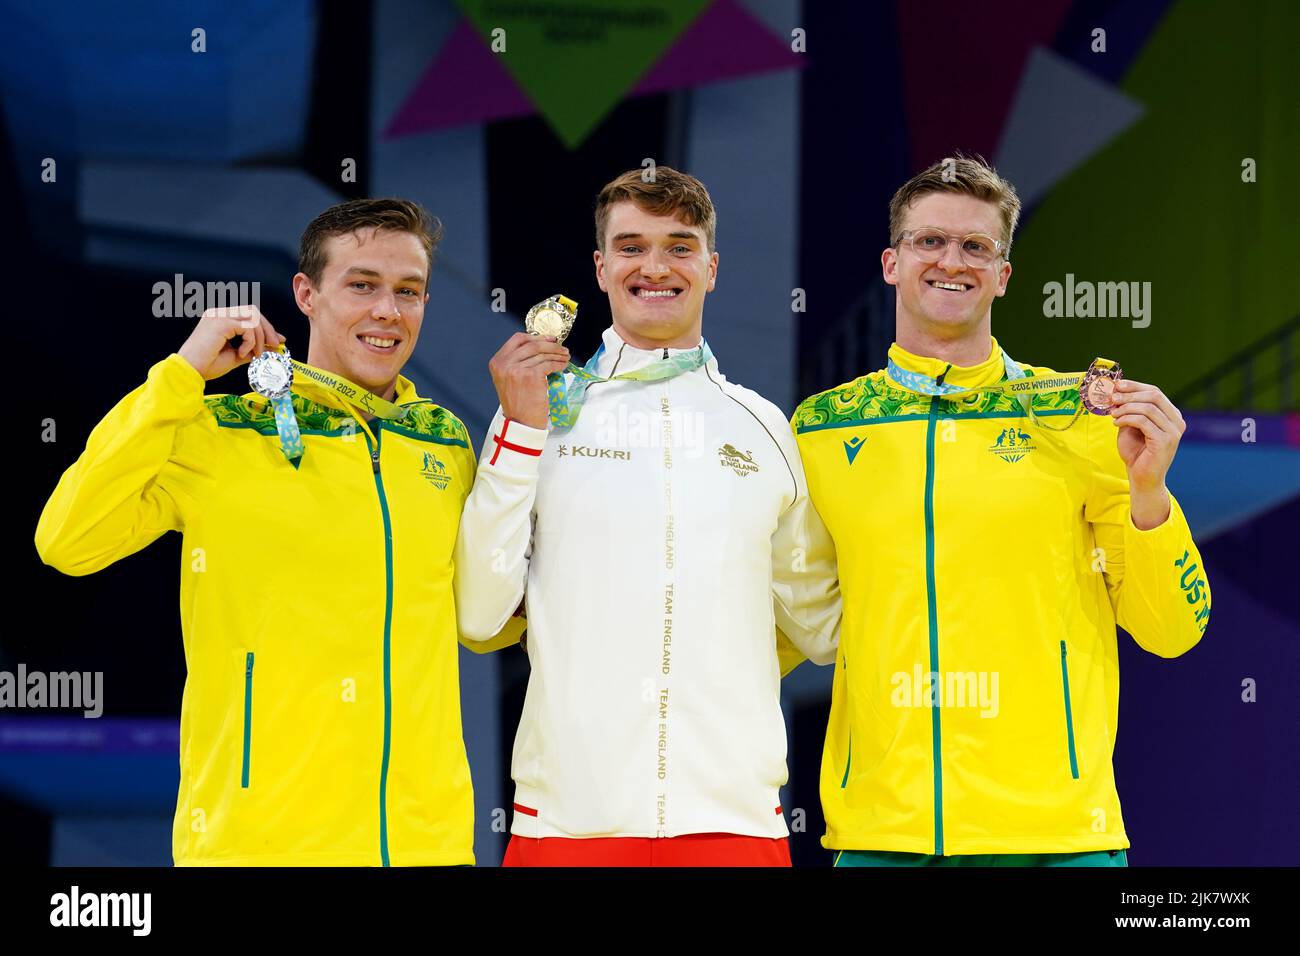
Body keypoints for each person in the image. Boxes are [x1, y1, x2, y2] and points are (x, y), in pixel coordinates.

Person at [35, 198, 520, 866]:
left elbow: (482, 622)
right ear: (306, 294)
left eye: (408, 291)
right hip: (258, 846)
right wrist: (178, 379)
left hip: (423, 846)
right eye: (362, 285)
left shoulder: (439, 442)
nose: (388, 311)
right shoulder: (221, 429)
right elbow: (68, 539)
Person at [792, 155, 1211, 866]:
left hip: (1058, 840)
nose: (951, 260)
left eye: (975, 246)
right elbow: (789, 614)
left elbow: (1173, 630)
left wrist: (1149, 495)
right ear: (892, 263)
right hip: (882, 836)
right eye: (929, 241)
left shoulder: (1079, 417)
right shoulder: (822, 430)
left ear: (1002, 275)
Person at [455, 167, 841, 866]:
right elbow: (480, 617)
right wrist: (518, 430)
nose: (655, 266)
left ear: (712, 268)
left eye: (680, 246)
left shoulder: (762, 427)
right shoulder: (536, 416)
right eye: (632, 247)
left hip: (738, 827)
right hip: (566, 829)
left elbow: (820, 628)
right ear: (601, 268)